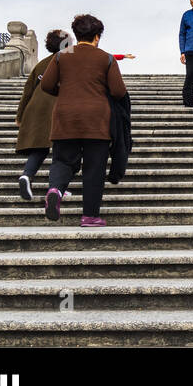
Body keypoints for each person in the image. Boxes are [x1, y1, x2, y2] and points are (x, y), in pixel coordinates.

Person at [40, 13, 128, 227]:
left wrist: (64, 92)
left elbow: (46, 85)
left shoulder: (62, 55)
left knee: (62, 161)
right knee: (94, 168)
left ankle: (55, 190)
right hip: (97, 121)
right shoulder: (105, 58)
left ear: (77, 34)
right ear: (97, 36)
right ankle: (90, 216)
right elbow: (118, 91)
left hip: (65, 117)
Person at [14, 28, 68, 199]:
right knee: (62, 151)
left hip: (35, 108)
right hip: (57, 107)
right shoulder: (68, 62)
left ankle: (27, 175)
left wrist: (20, 115)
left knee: (40, 149)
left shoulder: (41, 64)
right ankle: (57, 186)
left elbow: (27, 91)